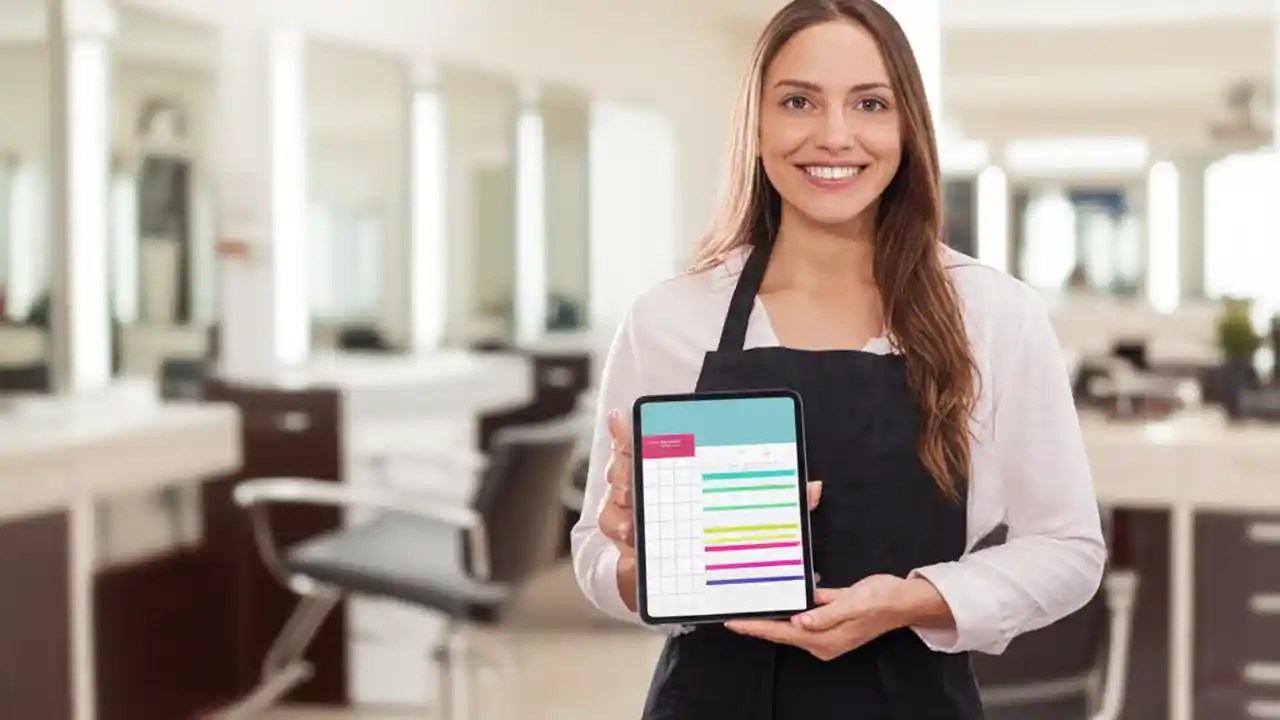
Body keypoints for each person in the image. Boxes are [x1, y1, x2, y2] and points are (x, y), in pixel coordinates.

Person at [570, 0, 1106, 717]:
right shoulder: (670, 318)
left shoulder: (994, 314)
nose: (834, 135)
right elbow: (595, 556)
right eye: (798, 101)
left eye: (870, 103)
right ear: (756, 125)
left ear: (907, 127)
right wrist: (642, 570)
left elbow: (1068, 549)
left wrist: (914, 600)